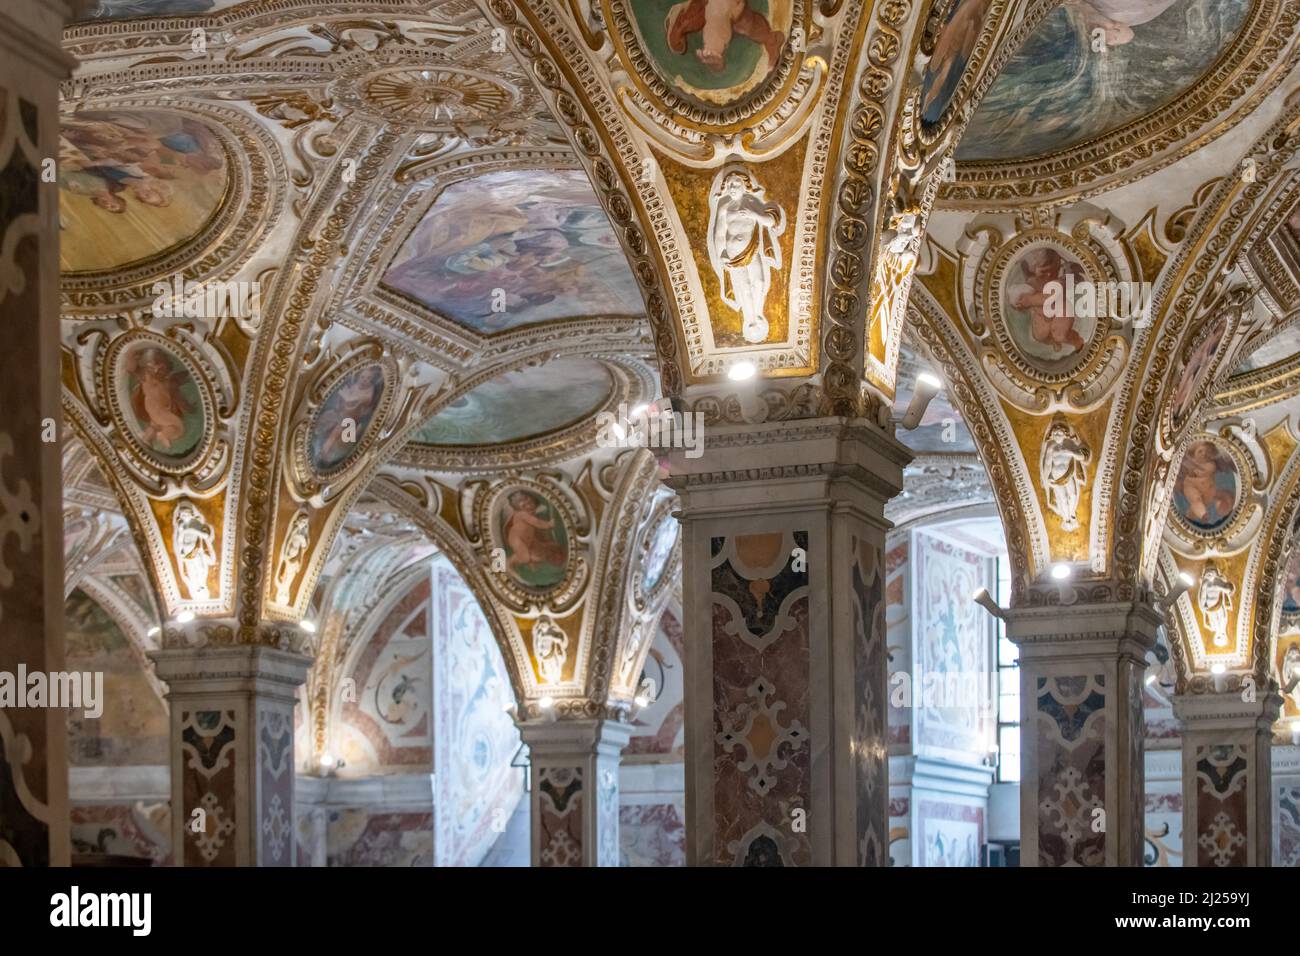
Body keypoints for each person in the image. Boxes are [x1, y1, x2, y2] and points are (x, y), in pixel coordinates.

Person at [707, 168, 784, 343]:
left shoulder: (751, 202)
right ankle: (750, 319)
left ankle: (758, 312)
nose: (732, 187)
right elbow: (719, 234)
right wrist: (722, 254)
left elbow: (771, 221)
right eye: (729, 185)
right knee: (745, 287)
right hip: (733, 254)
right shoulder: (724, 207)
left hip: (752, 250)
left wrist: (754, 215)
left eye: (736, 184)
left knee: (759, 282)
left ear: (744, 186)